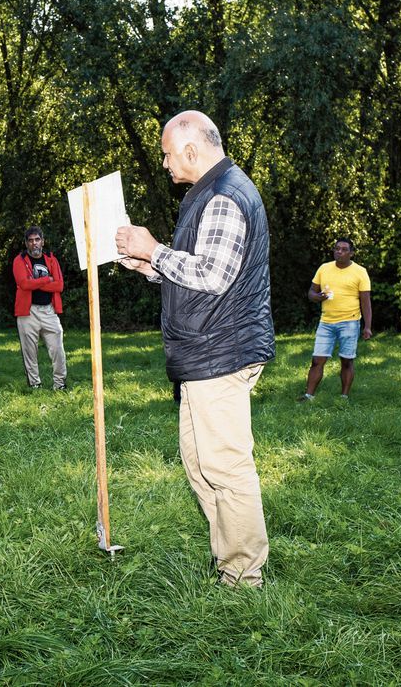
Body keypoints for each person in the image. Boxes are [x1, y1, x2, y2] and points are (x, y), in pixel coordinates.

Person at [115, 110, 274, 588]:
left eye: (166, 153)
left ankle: (245, 577)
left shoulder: (224, 195)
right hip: (204, 352)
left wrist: (153, 249)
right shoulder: (204, 194)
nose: (164, 163)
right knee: (200, 463)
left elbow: (212, 276)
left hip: (222, 351)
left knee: (225, 465)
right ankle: (231, 558)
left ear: (190, 150)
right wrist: (147, 265)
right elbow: (196, 271)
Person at [302, 239, 372, 401]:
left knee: (347, 361)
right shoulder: (324, 268)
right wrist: (318, 297)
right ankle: (308, 396)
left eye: (344, 249)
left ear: (351, 253)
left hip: (350, 322)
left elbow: (365, 301)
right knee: (317, 360)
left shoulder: (360, 272)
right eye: (337, 249)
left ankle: (344, 397)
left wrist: (367, 326)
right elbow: (311, 292)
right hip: (326, 322)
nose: (339, 251)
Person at [12, 226, 67, 390]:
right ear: (26, 243)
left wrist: (35, 283)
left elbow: (59, 286)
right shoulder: (19, 260)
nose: (34, 243)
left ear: (42, 241)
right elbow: (23, 283)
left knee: (57, 348)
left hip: (49, 310)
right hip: (27, 312)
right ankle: (35, 385)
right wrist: (46, 280)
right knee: (30, 351)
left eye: (37, 240)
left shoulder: (51, 259)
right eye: (30, 240)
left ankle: (60, 384)